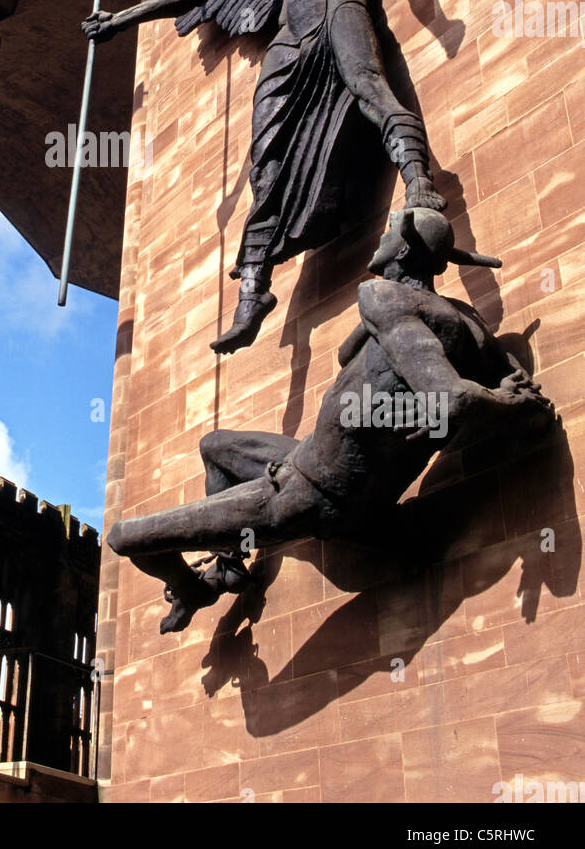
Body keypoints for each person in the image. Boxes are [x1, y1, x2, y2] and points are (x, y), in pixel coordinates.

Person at [84, 0, 444, 355]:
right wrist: (125, 17)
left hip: (340, 3)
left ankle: (421, 183)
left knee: (369, 86)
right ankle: (254, 290)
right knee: (265, 158)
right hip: (288, 38)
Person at [105, 208, 555, 634]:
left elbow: (451, 398)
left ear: (403, 250)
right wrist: (513, 402)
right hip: (311, 463)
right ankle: (228, 563)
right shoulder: (461, 321)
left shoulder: (384, 297)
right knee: (214, 445)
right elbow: (505, 386)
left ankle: (193, 589)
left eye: (390, 230)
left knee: (126, 538)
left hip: (310, 496)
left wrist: (497, 403)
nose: (379, 236)